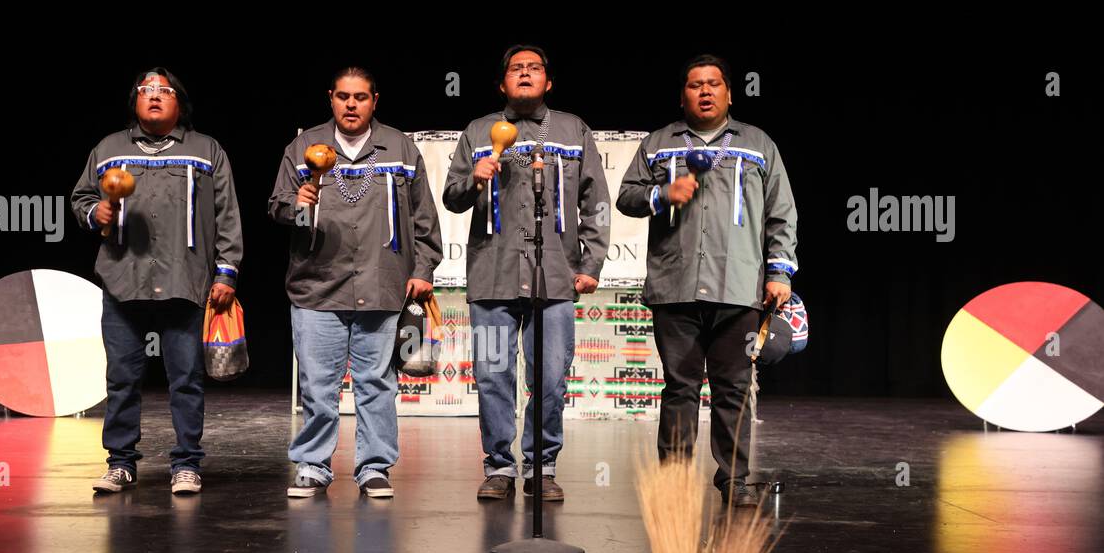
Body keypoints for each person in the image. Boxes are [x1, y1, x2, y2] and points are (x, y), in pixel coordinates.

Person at [616, 54, 798, 506]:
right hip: (674, 287)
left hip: (738, 287)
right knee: (679, 387)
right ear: (683, 95)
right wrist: (662, 193)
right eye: (695, 84)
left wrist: (779, 271)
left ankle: (733, 476)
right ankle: (674, 479)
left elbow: (781, 214)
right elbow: (625, 197)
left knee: (732, 387)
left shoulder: (758, 144)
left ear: (729, 93)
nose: (705, 91)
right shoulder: (660, 143)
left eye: (714, 83)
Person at [442, 45, 609, 502]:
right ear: (502, 84)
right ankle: (499, 467)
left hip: (554, 278)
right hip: (493, 278)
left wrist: (590, 263)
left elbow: (594, 202)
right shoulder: (479, 131)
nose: (525, 74)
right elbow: (451, 198)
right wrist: (475, 177)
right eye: (516, 69)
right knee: (494, 376)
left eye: (533, 68)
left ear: (548, 82)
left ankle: (542, 466)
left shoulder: (573, 130)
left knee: (550, 378)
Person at [268, 67, 442, 498]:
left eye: (360, 97)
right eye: (343, 96)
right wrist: (298, 204)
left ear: (374, 101)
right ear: (331, 98)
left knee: (377, 382)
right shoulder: (305, 146)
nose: (351, 104)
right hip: (317, 286)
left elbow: (424, 218)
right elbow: (277, 207)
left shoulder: (399, 147)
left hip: (381, 284)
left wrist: (423, 270)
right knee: (318, 384)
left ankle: (374, 466)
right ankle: (313, 465)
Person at [71, 67, 243, 496]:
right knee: (122, 378)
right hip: (123, 279)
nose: (153, 96)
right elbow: (82, 198)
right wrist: (97, 213)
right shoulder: (110, 148)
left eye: (163, 90)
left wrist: (227, 271)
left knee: (185, 378)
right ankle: (121, 462)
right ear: (134, 100)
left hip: (185, 281)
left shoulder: (206, 150)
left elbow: (227, 215)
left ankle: (186, 463)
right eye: (145, 90)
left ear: (179, 102)